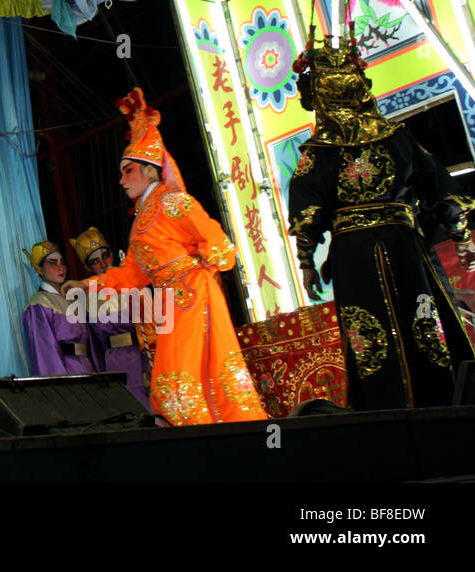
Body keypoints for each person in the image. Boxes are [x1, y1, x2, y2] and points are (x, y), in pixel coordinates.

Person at [286, 32, 475, 410]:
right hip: (402, 243)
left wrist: (306, 262)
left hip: (354, 253)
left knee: (367, 333)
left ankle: (384, 414)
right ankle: (441, 408)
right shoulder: (399, 141)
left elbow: (306, 210)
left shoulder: (317, 154)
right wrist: (463, 235)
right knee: (423, 320)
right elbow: (440, 186)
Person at [78, 88, 265, 425]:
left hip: (192, 293)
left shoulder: (173, 203)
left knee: (181, 370)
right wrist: (88, 285)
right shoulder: (141, 222)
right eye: (122, 172)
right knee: (174, 373)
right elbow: (132, 275)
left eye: (128, 170)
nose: (121, 180)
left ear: (150, 170)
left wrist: (202, 264)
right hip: (170, 300)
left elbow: (219, 243)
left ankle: (207, 428)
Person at [73, 226, 152, 409]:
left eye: (105, 255)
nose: (103, 263)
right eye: (95, 261)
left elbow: (152, 327)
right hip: (113, 362)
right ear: (87, 267)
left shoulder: (134, 285)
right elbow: (94, 344)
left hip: (139, 356)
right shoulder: (87, 300)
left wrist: (152, 361)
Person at [22, 240, 96, 377]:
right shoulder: (39, 304)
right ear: (39, 269)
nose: (60, 267)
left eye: (62, 262)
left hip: (87, 371)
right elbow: (45, 353)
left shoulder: (73, 300)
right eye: (52, 263)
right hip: (66, 373)